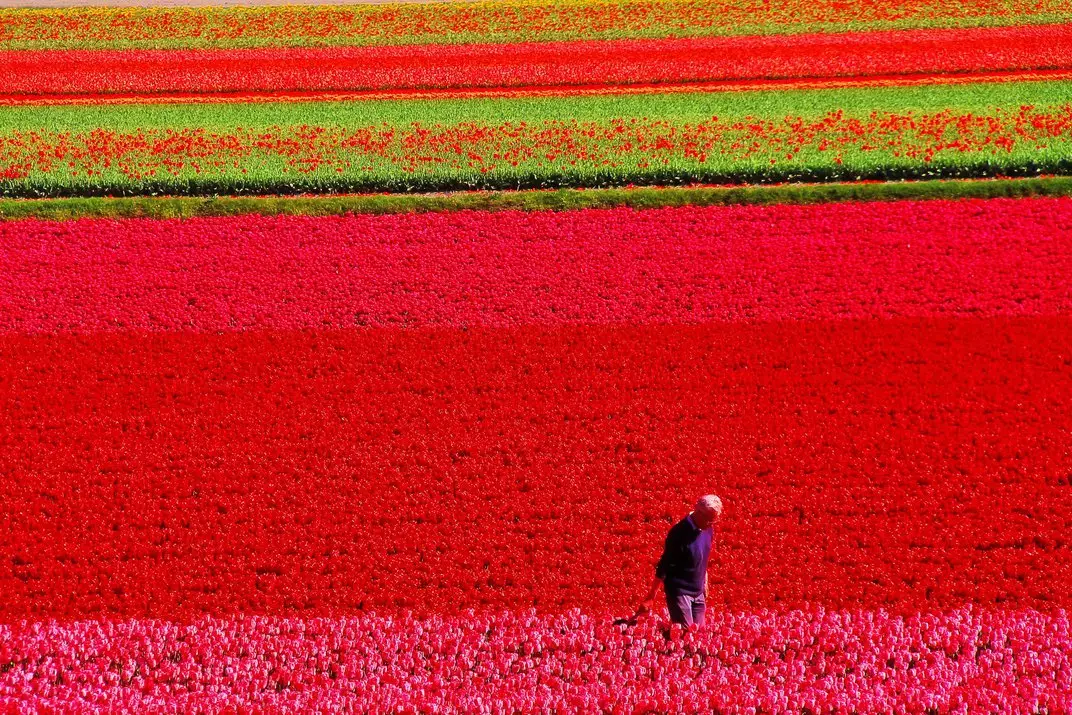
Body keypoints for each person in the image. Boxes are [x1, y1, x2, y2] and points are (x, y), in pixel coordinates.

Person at [636, 494, 722, 629]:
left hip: (698, 592)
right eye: (708, 520)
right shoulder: (679, 533)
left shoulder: (708, 528)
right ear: (698, 512)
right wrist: (651, 596)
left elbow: (703, 556)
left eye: (713, 521)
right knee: (686, 632)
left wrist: (704, 580)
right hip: (680, 591)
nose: (710, 524)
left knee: (699, 635)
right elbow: (665, 564)